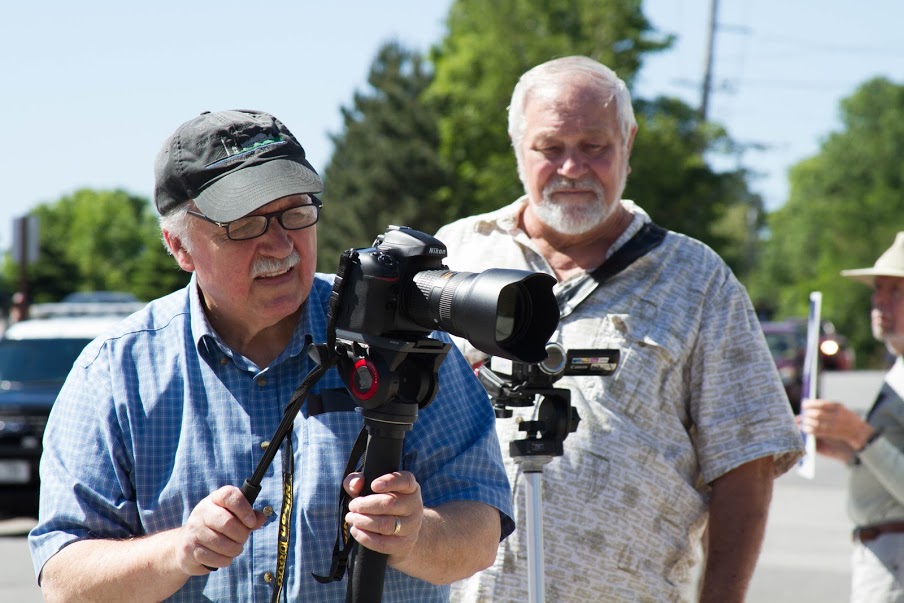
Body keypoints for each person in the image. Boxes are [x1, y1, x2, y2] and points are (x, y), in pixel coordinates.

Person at [28, 109, 514, 602]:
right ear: (180, 247)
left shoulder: (401, 337)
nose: (281, 244)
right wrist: (179, 552)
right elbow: (66, 579)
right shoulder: (115, 371)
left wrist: (415, 536)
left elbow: (479, 530)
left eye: (295, 213)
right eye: (244, 223)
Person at [435, 56, 805, 602]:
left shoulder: (698, 280)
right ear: (518, 148)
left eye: (594, 146)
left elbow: (744, 465)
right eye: (550, 148)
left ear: (628, 143)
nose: (571, 168)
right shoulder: (457, 254)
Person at [801, 232, 904, 603]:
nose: (878, 300)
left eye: (895, 290)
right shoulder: (898, 368)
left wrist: (860, 436)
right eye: (878, 289)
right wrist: (847, 450)